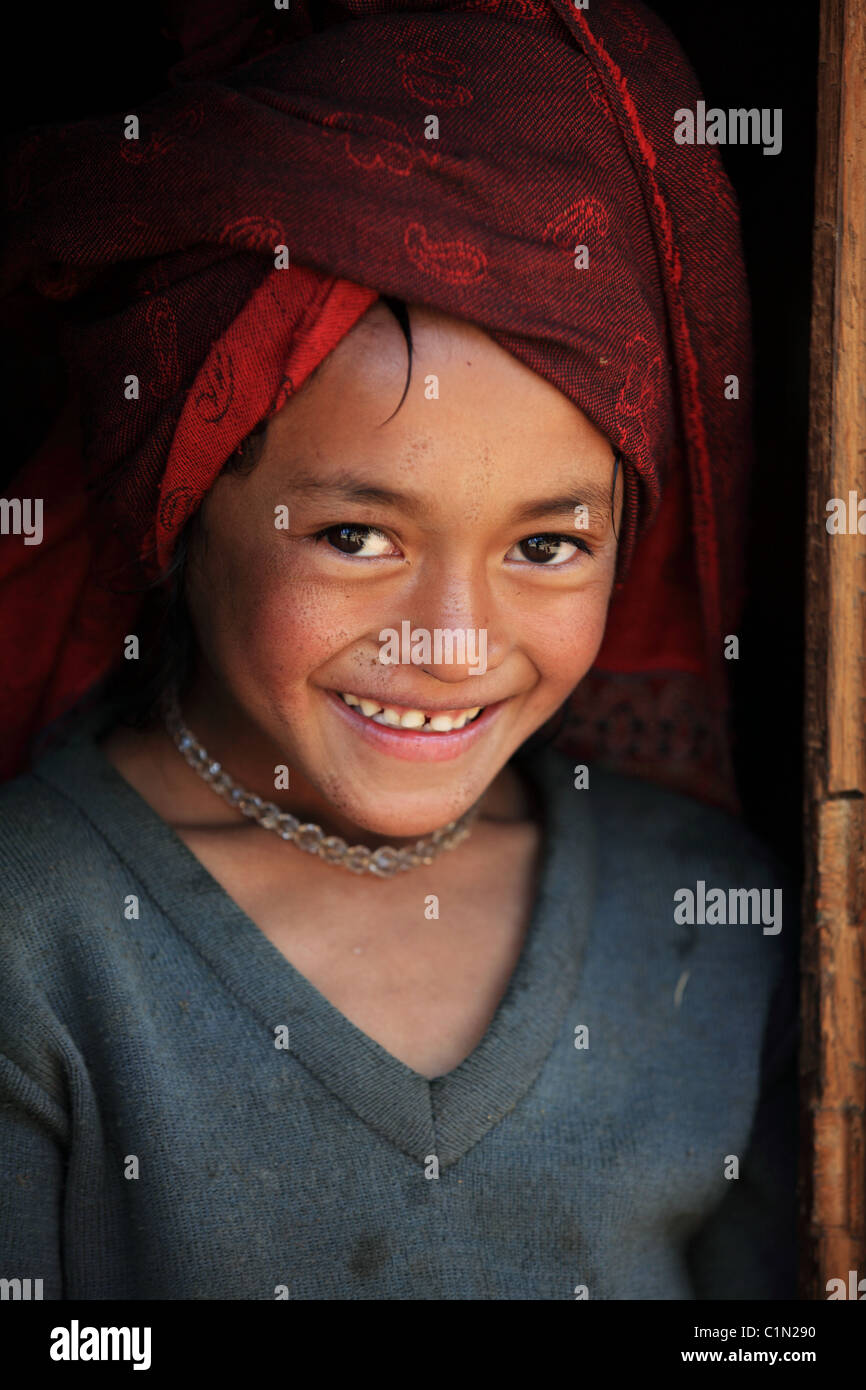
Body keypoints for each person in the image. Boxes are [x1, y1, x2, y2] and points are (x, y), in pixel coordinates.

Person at [0, 0, 797, 1299]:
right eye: (357, 535)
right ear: (182, 512)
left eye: (545, 547)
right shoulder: (36, 933)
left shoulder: (712, 926)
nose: (451, 640)